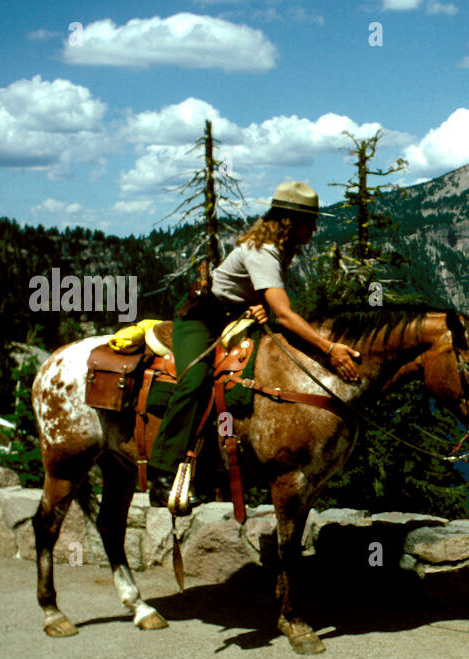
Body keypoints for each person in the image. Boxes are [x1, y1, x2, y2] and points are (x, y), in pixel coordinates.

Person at [147, 181, 361, 510]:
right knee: (194, 378)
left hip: (234, 317)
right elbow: (286, 316)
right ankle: (162, 472)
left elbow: (265, 300)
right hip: (202, 320)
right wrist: (328, 348)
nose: (314, 228)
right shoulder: (265, 251)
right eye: (309, 221)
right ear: (289, 221)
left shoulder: (275, 247)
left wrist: (253, 307)